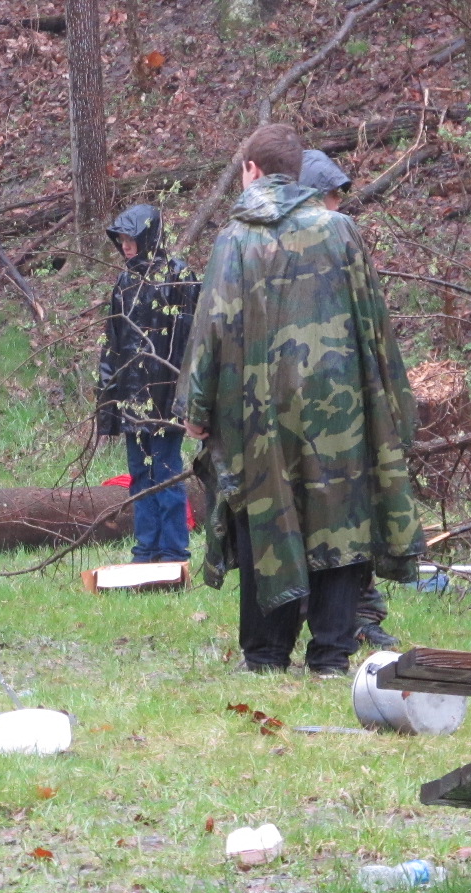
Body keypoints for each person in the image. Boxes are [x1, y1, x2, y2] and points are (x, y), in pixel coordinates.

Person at [177, 123, 424, 677]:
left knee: (264, 513)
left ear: (251, 170)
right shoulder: (340, 230)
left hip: (256, 411)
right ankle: (331, 654)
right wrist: (393, 404)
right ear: (297, 170)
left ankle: (266, 653)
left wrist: (196, 410)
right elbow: (374, 322)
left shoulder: (235, 239)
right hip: (339, 402)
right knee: (339, 512)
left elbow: (212, 327)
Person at [297, 148, 400, 651]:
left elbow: (370, 319)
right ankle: (316, 617)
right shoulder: (276, 248)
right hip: (297, 408)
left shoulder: (343, 238)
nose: (338, 205)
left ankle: (361, 615)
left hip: (346, 402)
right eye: (330, 196)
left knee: (353, 512)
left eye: (339, 196)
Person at [95, 204, 198, 566]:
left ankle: (172, 551)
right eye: (121, 238)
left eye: (131, 237)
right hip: (132, 399)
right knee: (140, 475)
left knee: (166, 471)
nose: (125, 245)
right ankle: (146, 550)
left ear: (148, 236)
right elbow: (113, 345)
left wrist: (185, 401)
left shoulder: (179, 277)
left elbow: (191, 344)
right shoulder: (124, 283)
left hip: (167, 397)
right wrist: (108, 400)